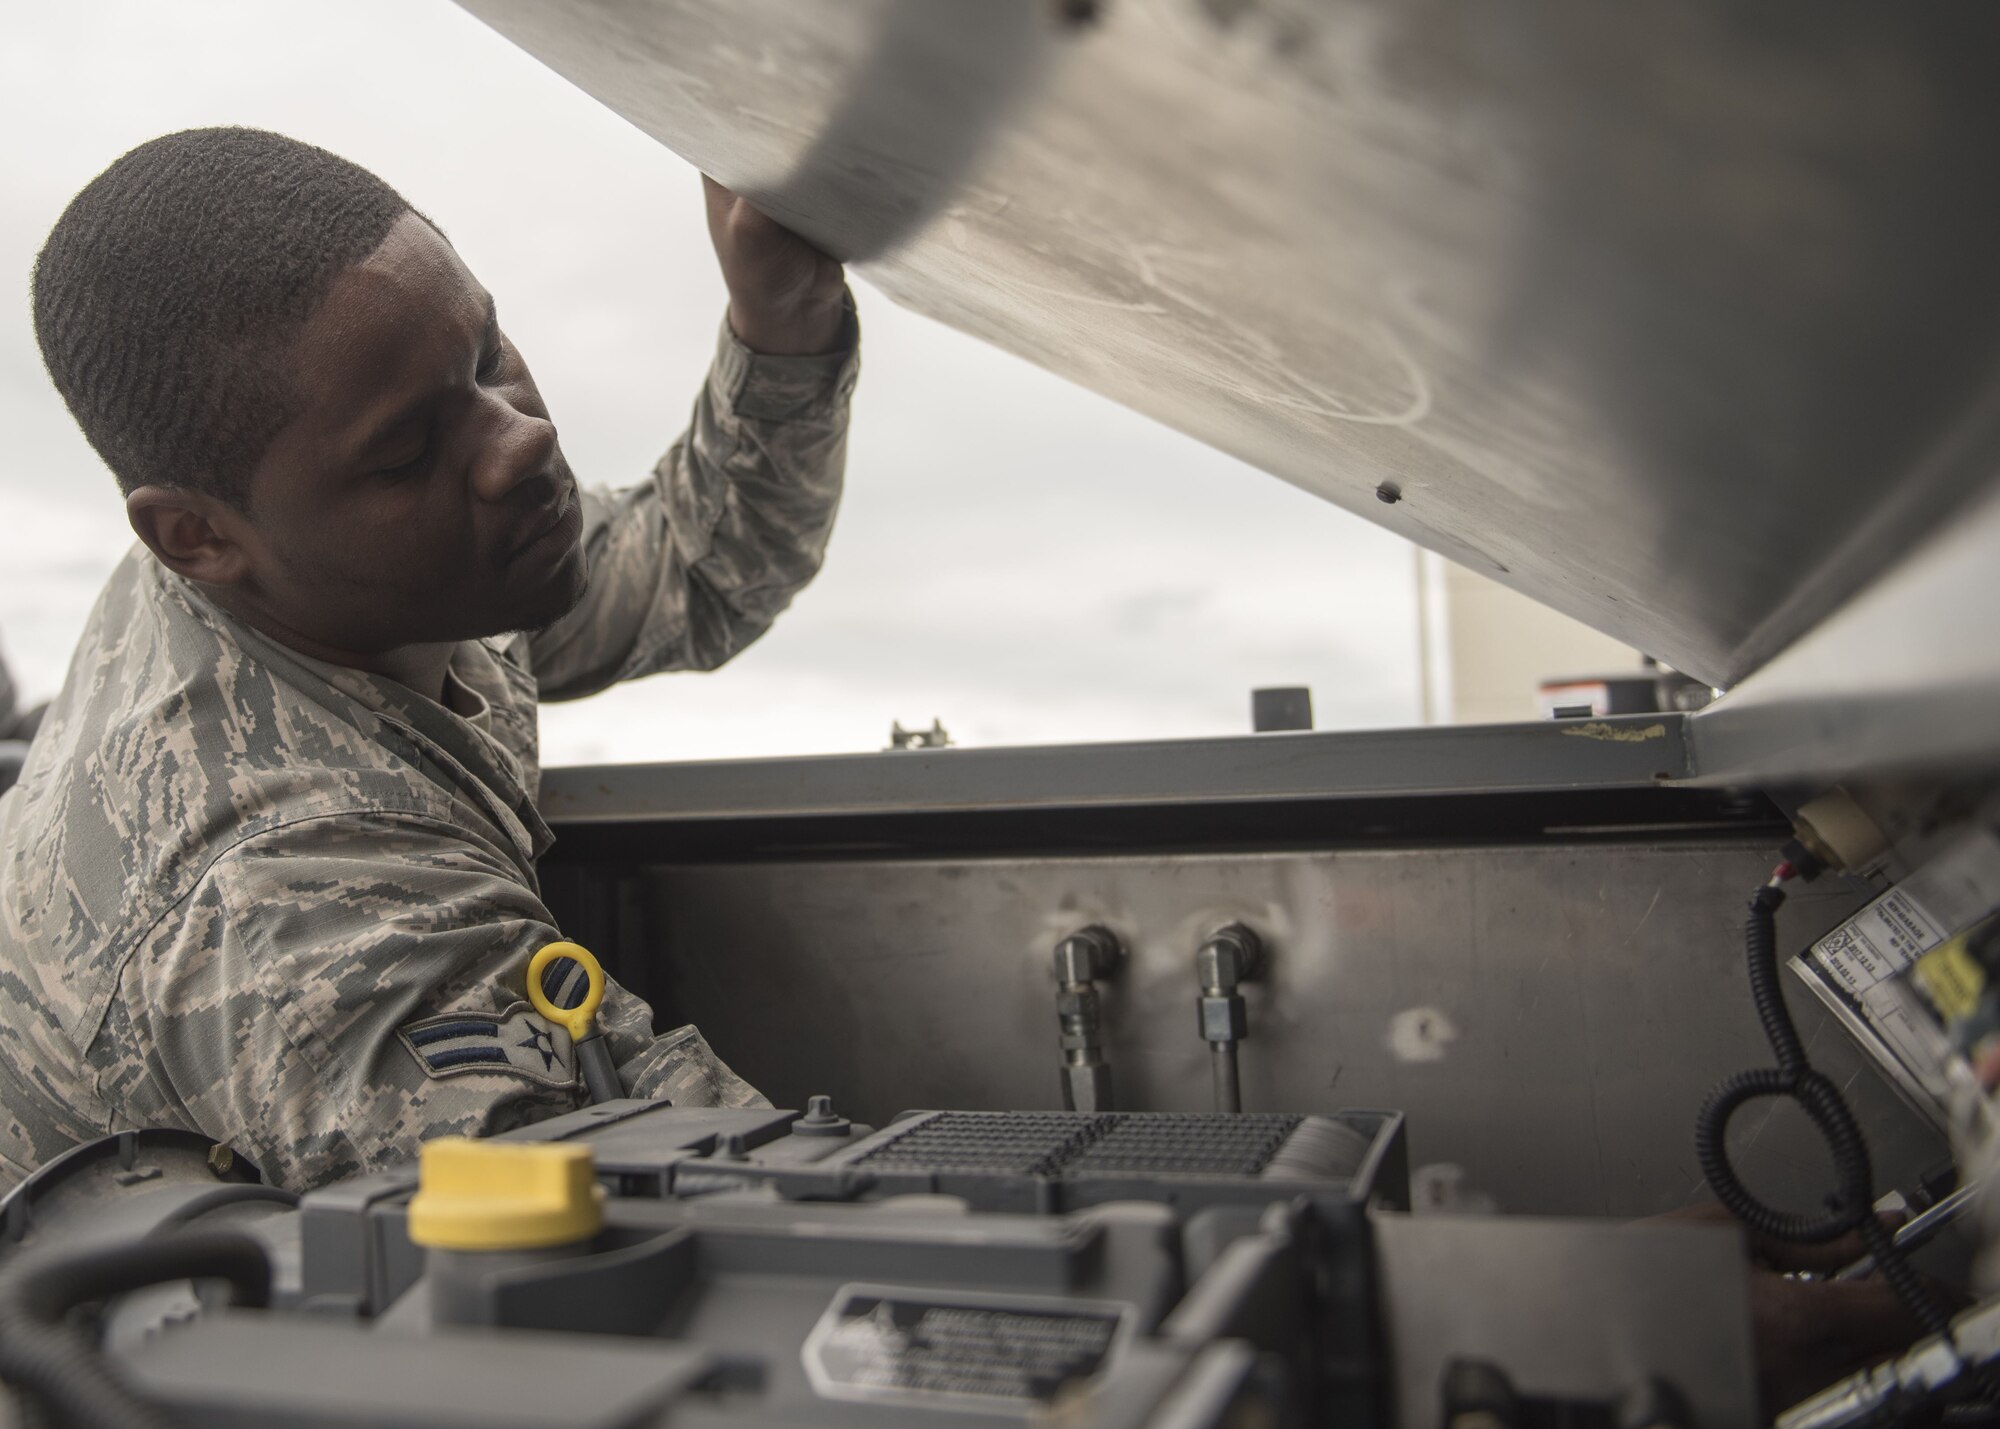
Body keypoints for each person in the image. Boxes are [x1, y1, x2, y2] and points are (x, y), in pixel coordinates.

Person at [0, 128, 857, 1193]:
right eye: (406, 451)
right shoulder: (301, 917)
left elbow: (692, 568)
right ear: (197, 538)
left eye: (488, 352)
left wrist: (785, 319)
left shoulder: (370, 567)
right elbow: (696, 1230)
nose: (519, 442)